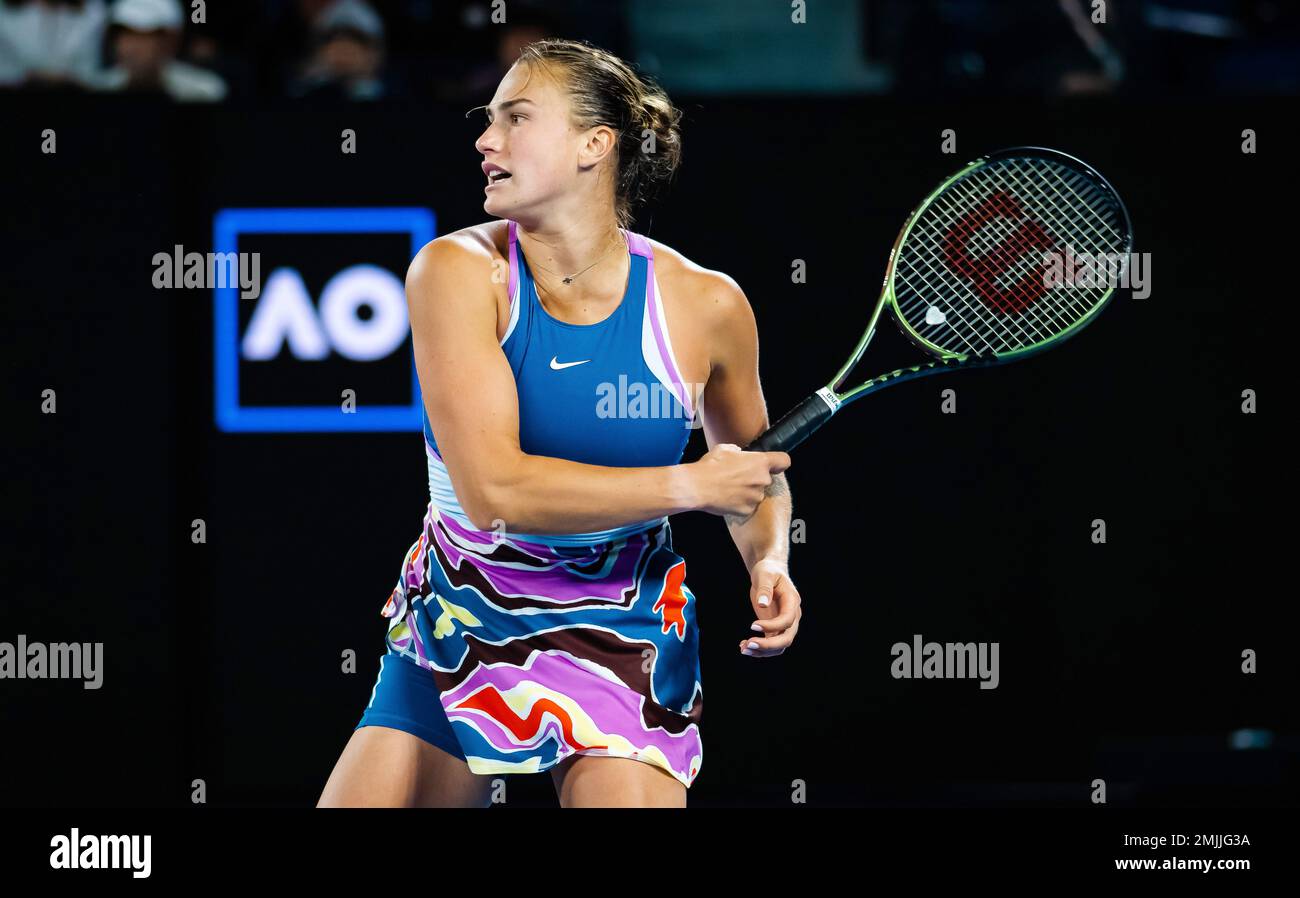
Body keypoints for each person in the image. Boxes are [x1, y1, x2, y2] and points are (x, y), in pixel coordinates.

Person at [319, 38, 800, 809]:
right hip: (463, 605)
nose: (485, 139)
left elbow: (752, 478)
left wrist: (768, 560)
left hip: (623, 622)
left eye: (515, 118)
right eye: (487, 119)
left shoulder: (707, 305)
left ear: (594, 145)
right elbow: (496, 493)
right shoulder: (454, 272)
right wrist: (688, 484)